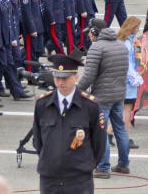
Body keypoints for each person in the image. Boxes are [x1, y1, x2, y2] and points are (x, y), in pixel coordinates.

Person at [32, 53, 106, 194]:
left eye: (65, 78)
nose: (61, 82)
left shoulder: (90, 106)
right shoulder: (42, 104)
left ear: (76, 76)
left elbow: (99, 144)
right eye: (57, 77)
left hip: (79, 180)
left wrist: (84, 165)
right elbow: (38, 141)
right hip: (50, 178)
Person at [76, 17, 130, 178]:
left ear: (94, 32)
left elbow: (89, 75)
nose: (88, 36)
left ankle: (103, 167)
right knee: (120, 128)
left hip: (102, 96)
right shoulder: (120, 45)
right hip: (119, 94)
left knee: (100, 132)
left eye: (89, 33)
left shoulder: (96, 48)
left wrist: (77, 91)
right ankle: (123, 164)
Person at [116, 16, 143, 149]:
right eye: (137, 27)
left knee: (124, 111)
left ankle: (114, 134)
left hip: (124, 80)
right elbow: (128, 64)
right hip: (128, 82)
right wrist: (135, 77)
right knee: (126, 111)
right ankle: (125, 138)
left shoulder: (125, 41)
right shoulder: (127, 43)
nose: (138, 29)